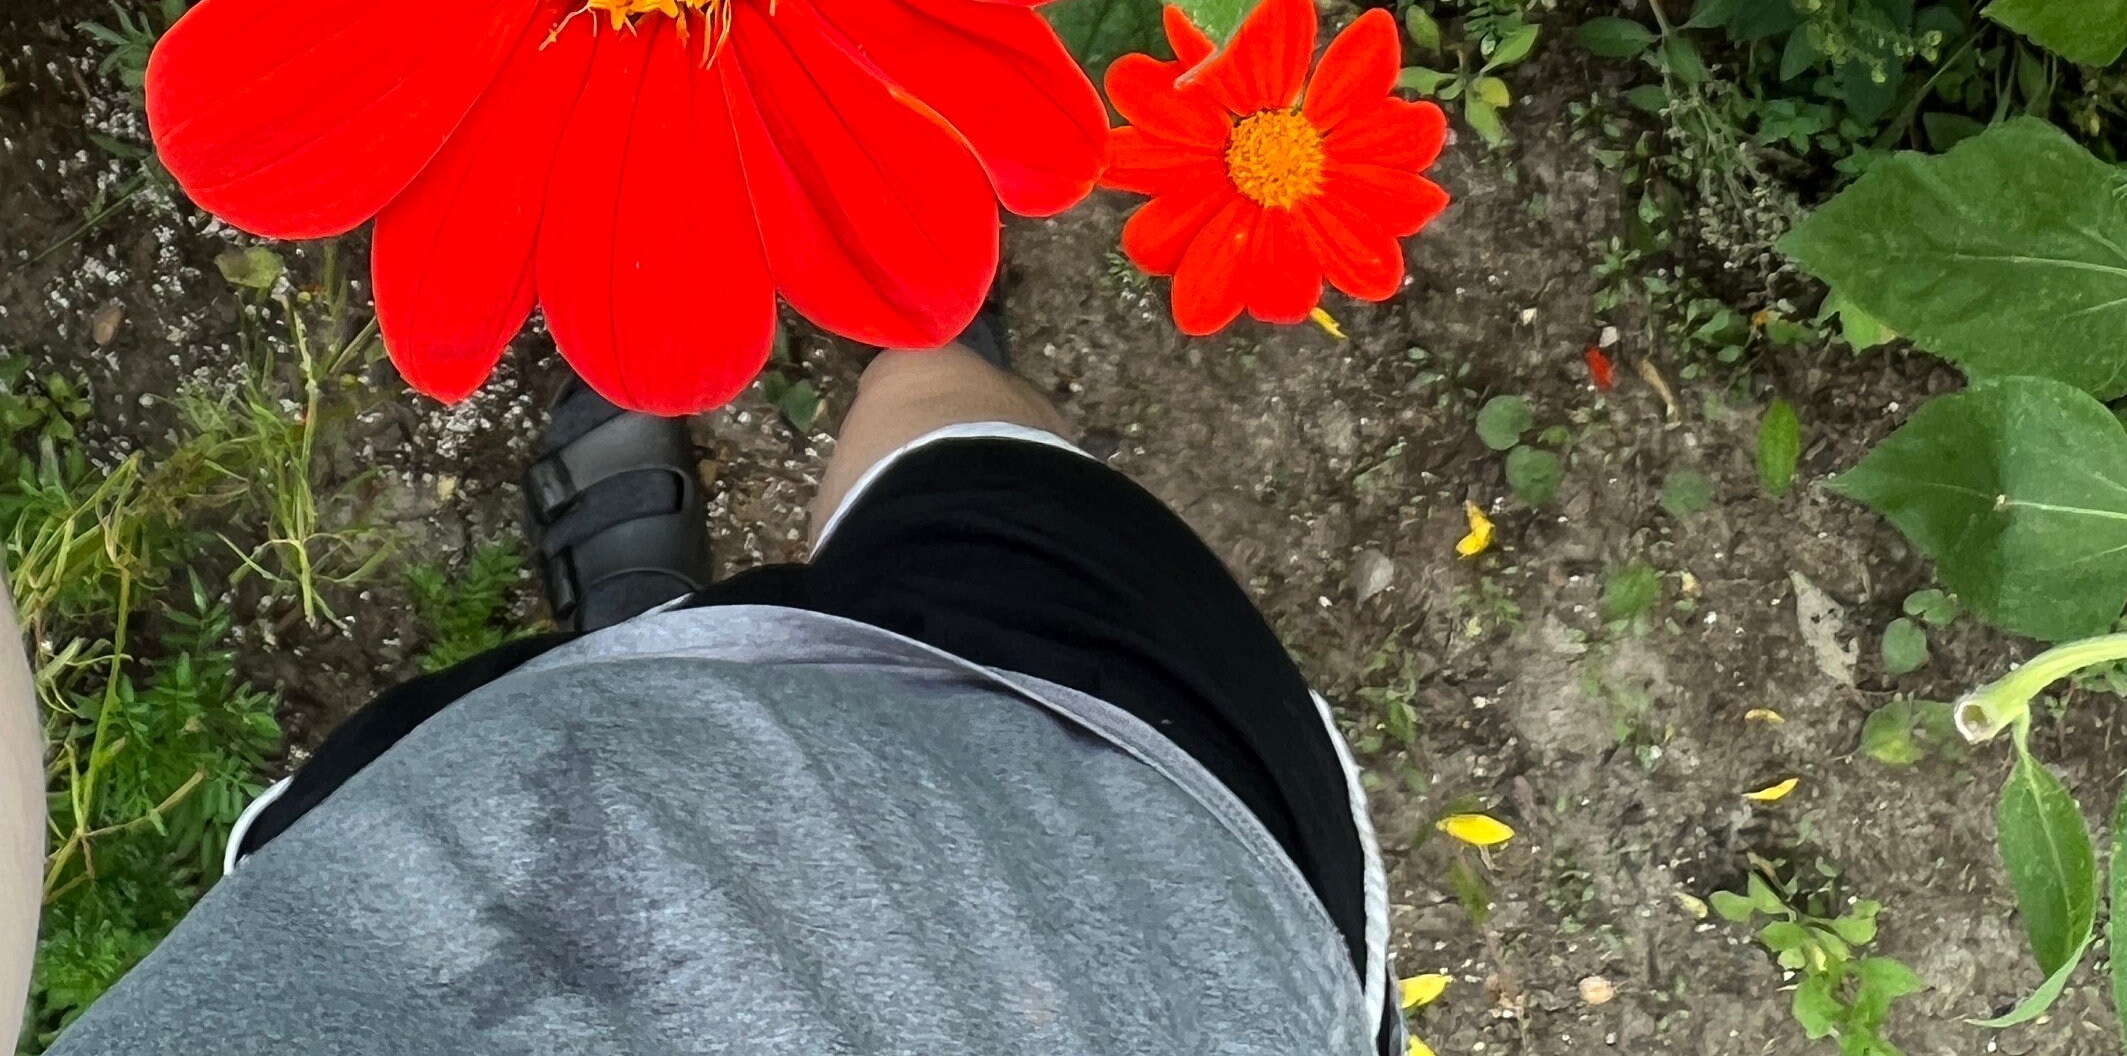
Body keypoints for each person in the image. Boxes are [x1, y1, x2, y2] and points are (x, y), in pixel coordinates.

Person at [2, 304, 1399, 1052]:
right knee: (965, 456)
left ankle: (642, 621)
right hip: (1119, 846)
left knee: (571, 713)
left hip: (419, 864)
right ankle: (926, 317)